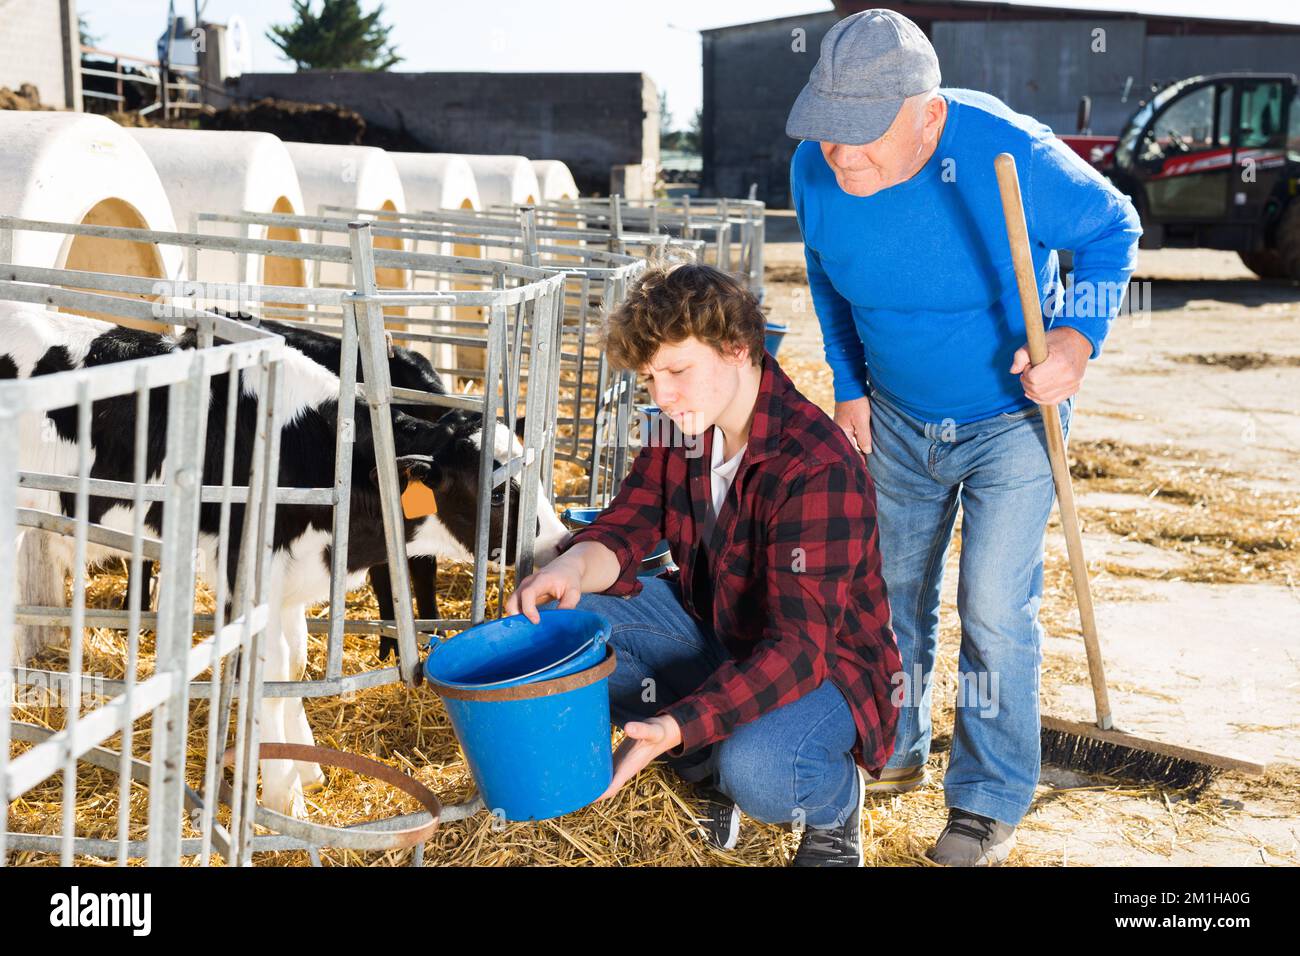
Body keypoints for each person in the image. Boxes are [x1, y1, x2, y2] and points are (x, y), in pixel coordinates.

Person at [786, 8, 1142, 865]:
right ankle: (895, 746)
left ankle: (987, 796)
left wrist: (1076, 341)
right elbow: (830, 288)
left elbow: (1111, 229)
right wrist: (849, 386)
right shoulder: (813, 167)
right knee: (888, 591)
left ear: (929, 116)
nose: (841, 155)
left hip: (1013, 417)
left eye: (862, 136)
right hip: (898, 417)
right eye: (827, 133)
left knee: (993, 605)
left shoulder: (998, 147)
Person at [505, 263, 900, 867]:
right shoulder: (679, 431)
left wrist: (680, 722)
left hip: (823, 671)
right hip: (716, 631)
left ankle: (832, 808)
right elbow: (628, 524)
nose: (661, 395)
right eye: (650, 376)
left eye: (678, 370)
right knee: (563, 631)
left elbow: (799, 649)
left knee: (762, 767)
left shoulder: (816, 465)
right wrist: (569, 571)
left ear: (739, 348)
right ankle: (705, 768)